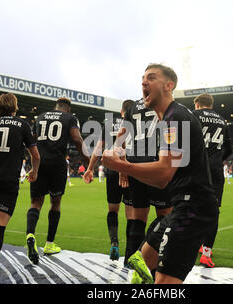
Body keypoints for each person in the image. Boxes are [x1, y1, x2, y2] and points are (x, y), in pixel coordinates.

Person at [102, 63, 218, 284]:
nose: (143, 82)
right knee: (139, 262)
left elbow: (164, 173)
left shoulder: (175, 118)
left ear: (168, 85)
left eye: (151, 78)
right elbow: (160, 178)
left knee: (163, 283)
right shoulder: (168, 119)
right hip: (181, 205)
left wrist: (122, 167)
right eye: (143, 78)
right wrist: (126, 167)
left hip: (193, 211)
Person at [0, 93, 40, 284]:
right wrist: (34, 171)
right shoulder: (22, 125)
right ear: (14, 108)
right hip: (6, 182)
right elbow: (35, 155)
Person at [25, 97, 89, 265]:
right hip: (57, 164)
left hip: (39, 161)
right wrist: (88, 161)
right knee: (55, 202)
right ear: (67, 109)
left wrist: (32, 163)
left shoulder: (40, 117)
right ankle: (49, 244)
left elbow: (31, 141)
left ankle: (30, 234)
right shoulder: (70, 118)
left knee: (36, 202)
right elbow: (76, 139)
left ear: (56, 106)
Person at [118, 96, 173, 268]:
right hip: (156, 164)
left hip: (134, 165)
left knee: (138, 218)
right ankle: (148, 257)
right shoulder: (164, 103)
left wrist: (123, 168)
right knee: (165, 216)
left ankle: (129, 260)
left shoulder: (133, 106)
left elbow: (120, 137)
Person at [83, 99, 134, 261]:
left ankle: (114, 244)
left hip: (112, 170)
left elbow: (98, 148)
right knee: (131, 214)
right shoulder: (137, 122)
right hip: (131, 170)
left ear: (121, 111)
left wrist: (90, 168)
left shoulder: (110, 124)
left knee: (113, 210)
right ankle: (131, 252)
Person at [193, 93, 232, 268]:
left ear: (198, 104)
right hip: (215, 171)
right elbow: (229, 150)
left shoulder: (193, 115)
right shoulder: (222, 120)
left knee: (189, 206)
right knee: (213, 211)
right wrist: (215, 159)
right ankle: (206, 253)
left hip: (195, 168)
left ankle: (190, 245)